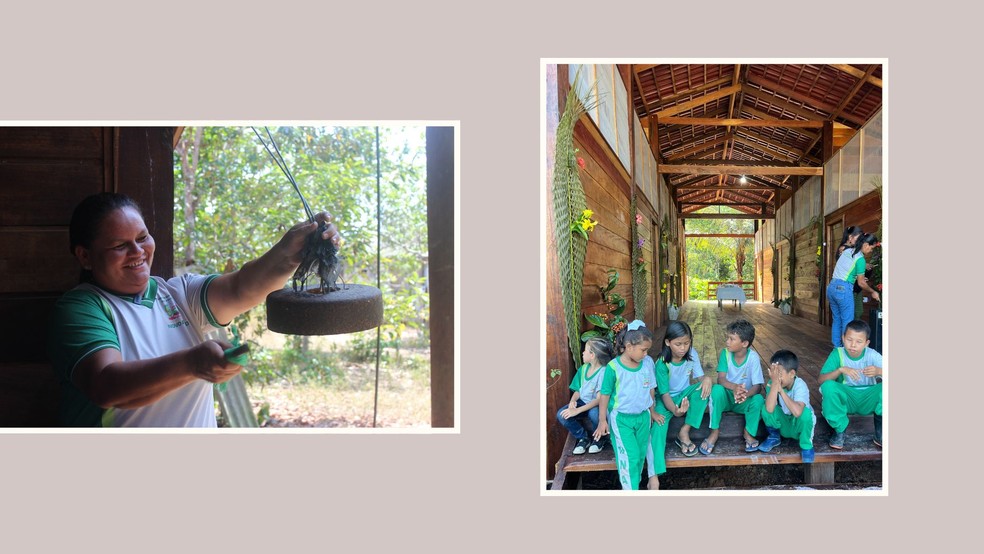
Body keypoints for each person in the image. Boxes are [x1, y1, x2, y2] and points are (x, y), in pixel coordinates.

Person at [47, 192, 340, 427]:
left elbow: (242, 287)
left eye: (142, 238)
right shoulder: (82, 307)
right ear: (85, 256)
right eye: (119, 246)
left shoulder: (179, 294)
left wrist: (291, 251)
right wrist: (191, 363)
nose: (138, 252)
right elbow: (107, 387)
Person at [592, 320, 658, 490]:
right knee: (630, 457)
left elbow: (650, 389)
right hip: (621, 420)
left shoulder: (647, 364)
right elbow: (605, 395)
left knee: (640, 456)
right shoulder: (614, 367)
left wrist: (652, 411)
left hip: (643, 418)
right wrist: (602, 420)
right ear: (629, 347)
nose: (646, 354)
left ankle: (633, 487)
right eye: (643, 350)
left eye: (647, 350)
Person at [647, 321, 713, 488]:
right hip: (665, 401)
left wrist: (707, 379)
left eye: (686, 343)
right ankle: (653, 475)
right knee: (658, 429)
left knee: (704, 389)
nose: (683, 348)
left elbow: (699, 378)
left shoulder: (691, 354)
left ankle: (684, 431)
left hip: (684, 396)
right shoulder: (662, 363)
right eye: (678, 344)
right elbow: (664, 394)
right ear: (668, 342)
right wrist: (676, 412)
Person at [818, 320, 883, 449]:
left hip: (868, 399)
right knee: (828, 386)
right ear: (843, 338)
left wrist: (879, 371)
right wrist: (840, 370)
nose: (853, 345)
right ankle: (839, 431)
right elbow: (821, 380)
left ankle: (881, 431)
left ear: (866, 343)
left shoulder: (872, 355)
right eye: (849, 340)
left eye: (859, 341)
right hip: (847, 399)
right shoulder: (837, 354)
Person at [704, 319, 765, 455]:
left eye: (732, 339)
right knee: (716, 390)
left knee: (759, 400)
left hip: (743, 400)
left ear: (744, 343)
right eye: (728, 338)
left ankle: (748, 433)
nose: (727, 342)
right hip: (726, 398)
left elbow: (757, 387)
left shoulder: (753, 358)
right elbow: (721, 379)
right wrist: (734, 388)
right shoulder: (725, 353)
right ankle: (714, 431)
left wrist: (744, 395)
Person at [757, 350, 816, 463]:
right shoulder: (773, 383)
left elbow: (798, 412)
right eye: (773, 373)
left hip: (799, 427)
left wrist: (781, 391)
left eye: (779, 373)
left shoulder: (800, 385)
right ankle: (774, 436)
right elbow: (769, 409)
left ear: (792, 374)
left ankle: (806, 446)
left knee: (805, 413)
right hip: (784, 426)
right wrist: (775, 385)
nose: (776, 377)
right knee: (765, 407)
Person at [557, 337, 614, 455]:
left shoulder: (603, 372)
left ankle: (599, 438)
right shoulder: (583, 369)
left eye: (585, 350)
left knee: (594, 414)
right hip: (582, 402)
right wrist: (573, 401)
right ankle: (583, 438)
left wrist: (577, 410)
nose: (582, 353)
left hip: (596, 405)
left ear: (592, 355)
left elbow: (599, 399)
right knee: (561, 415)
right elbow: (578, 390)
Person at [826, 233, 880, 347]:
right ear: (866, 244)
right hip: (843, 290)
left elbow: (846, 269)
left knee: (837, 320)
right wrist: (873, 291)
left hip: (831, 287)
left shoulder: (847, 251)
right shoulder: (860, 259)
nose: (871, 251)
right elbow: (861, 283)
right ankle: (846, 351)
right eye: (871, 248)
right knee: (847, 322)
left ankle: (837, 348)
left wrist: (857, 276)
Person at [836, 225, 865, 320]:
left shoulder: (851, 250)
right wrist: (859, 276)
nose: (860, 241)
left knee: (857, 312)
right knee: (852, 314)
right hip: (849, 286)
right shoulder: (845, 250)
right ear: (850, 237)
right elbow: (845, 268)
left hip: (855, 285)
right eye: (858, 238)